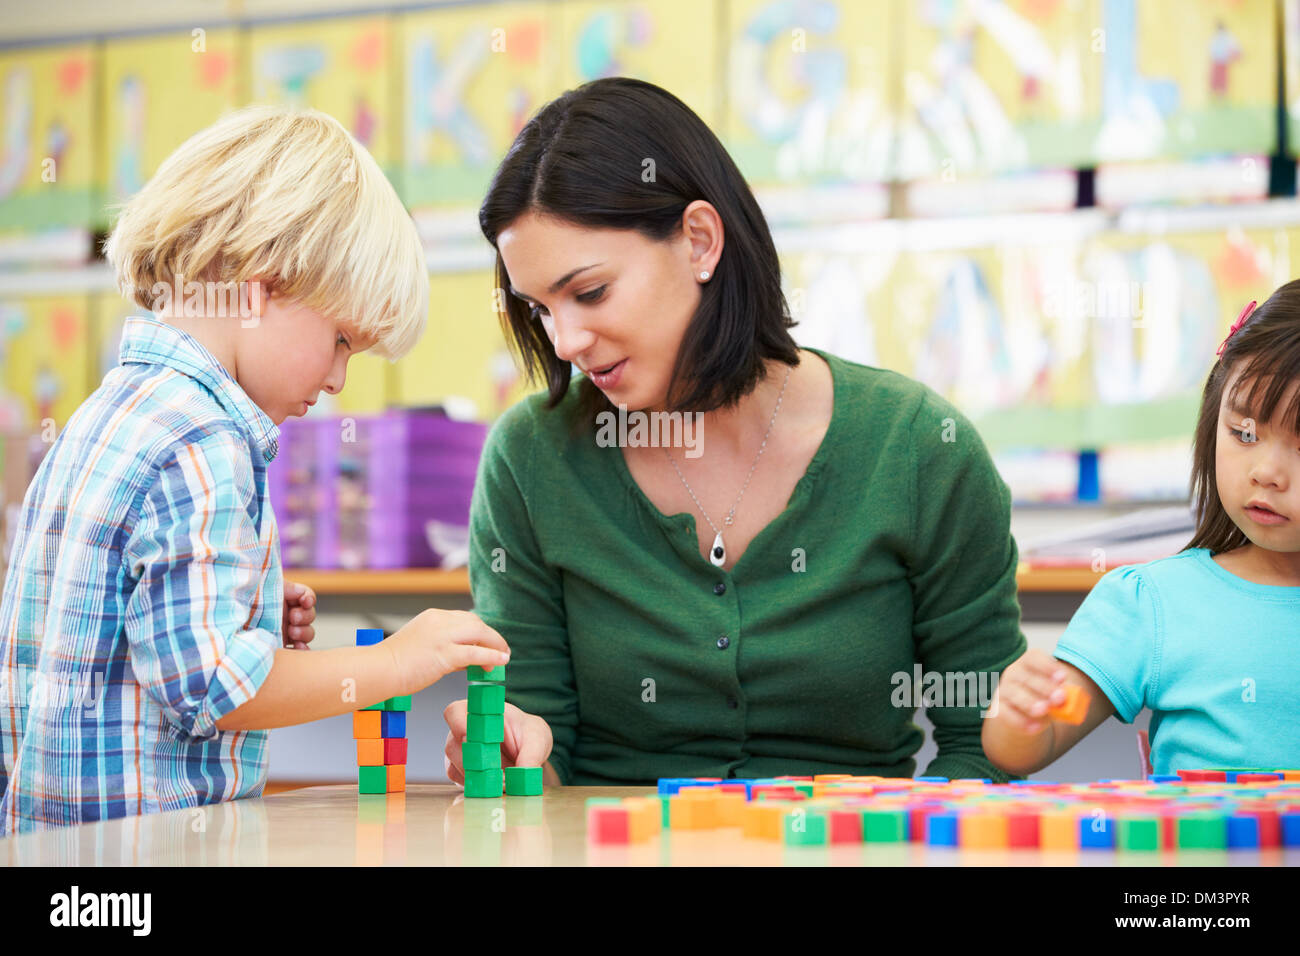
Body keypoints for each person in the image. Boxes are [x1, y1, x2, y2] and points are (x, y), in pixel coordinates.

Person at [443, 77, 1026, 787]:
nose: (564, 341)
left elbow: (986, 740)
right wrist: (510, 757)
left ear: (699, 241)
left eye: (589, 292)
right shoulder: (532, 459)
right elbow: (541, 742)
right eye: (539, 309)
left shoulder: (917, 446)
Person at [0, 105, 508, 834]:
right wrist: (397, 661)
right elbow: (212, 687)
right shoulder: (201, 439)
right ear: (259, 283)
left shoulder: (111, 411)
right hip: (140, 857)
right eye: (340, 341)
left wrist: (249, 606)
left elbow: (133, 628)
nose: (338, 379)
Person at [985, 283, 1300, 776]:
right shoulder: (1151, 601)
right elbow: (1025, 748)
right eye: (1243, 433)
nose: (1266, 472)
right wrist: (1018, 711)